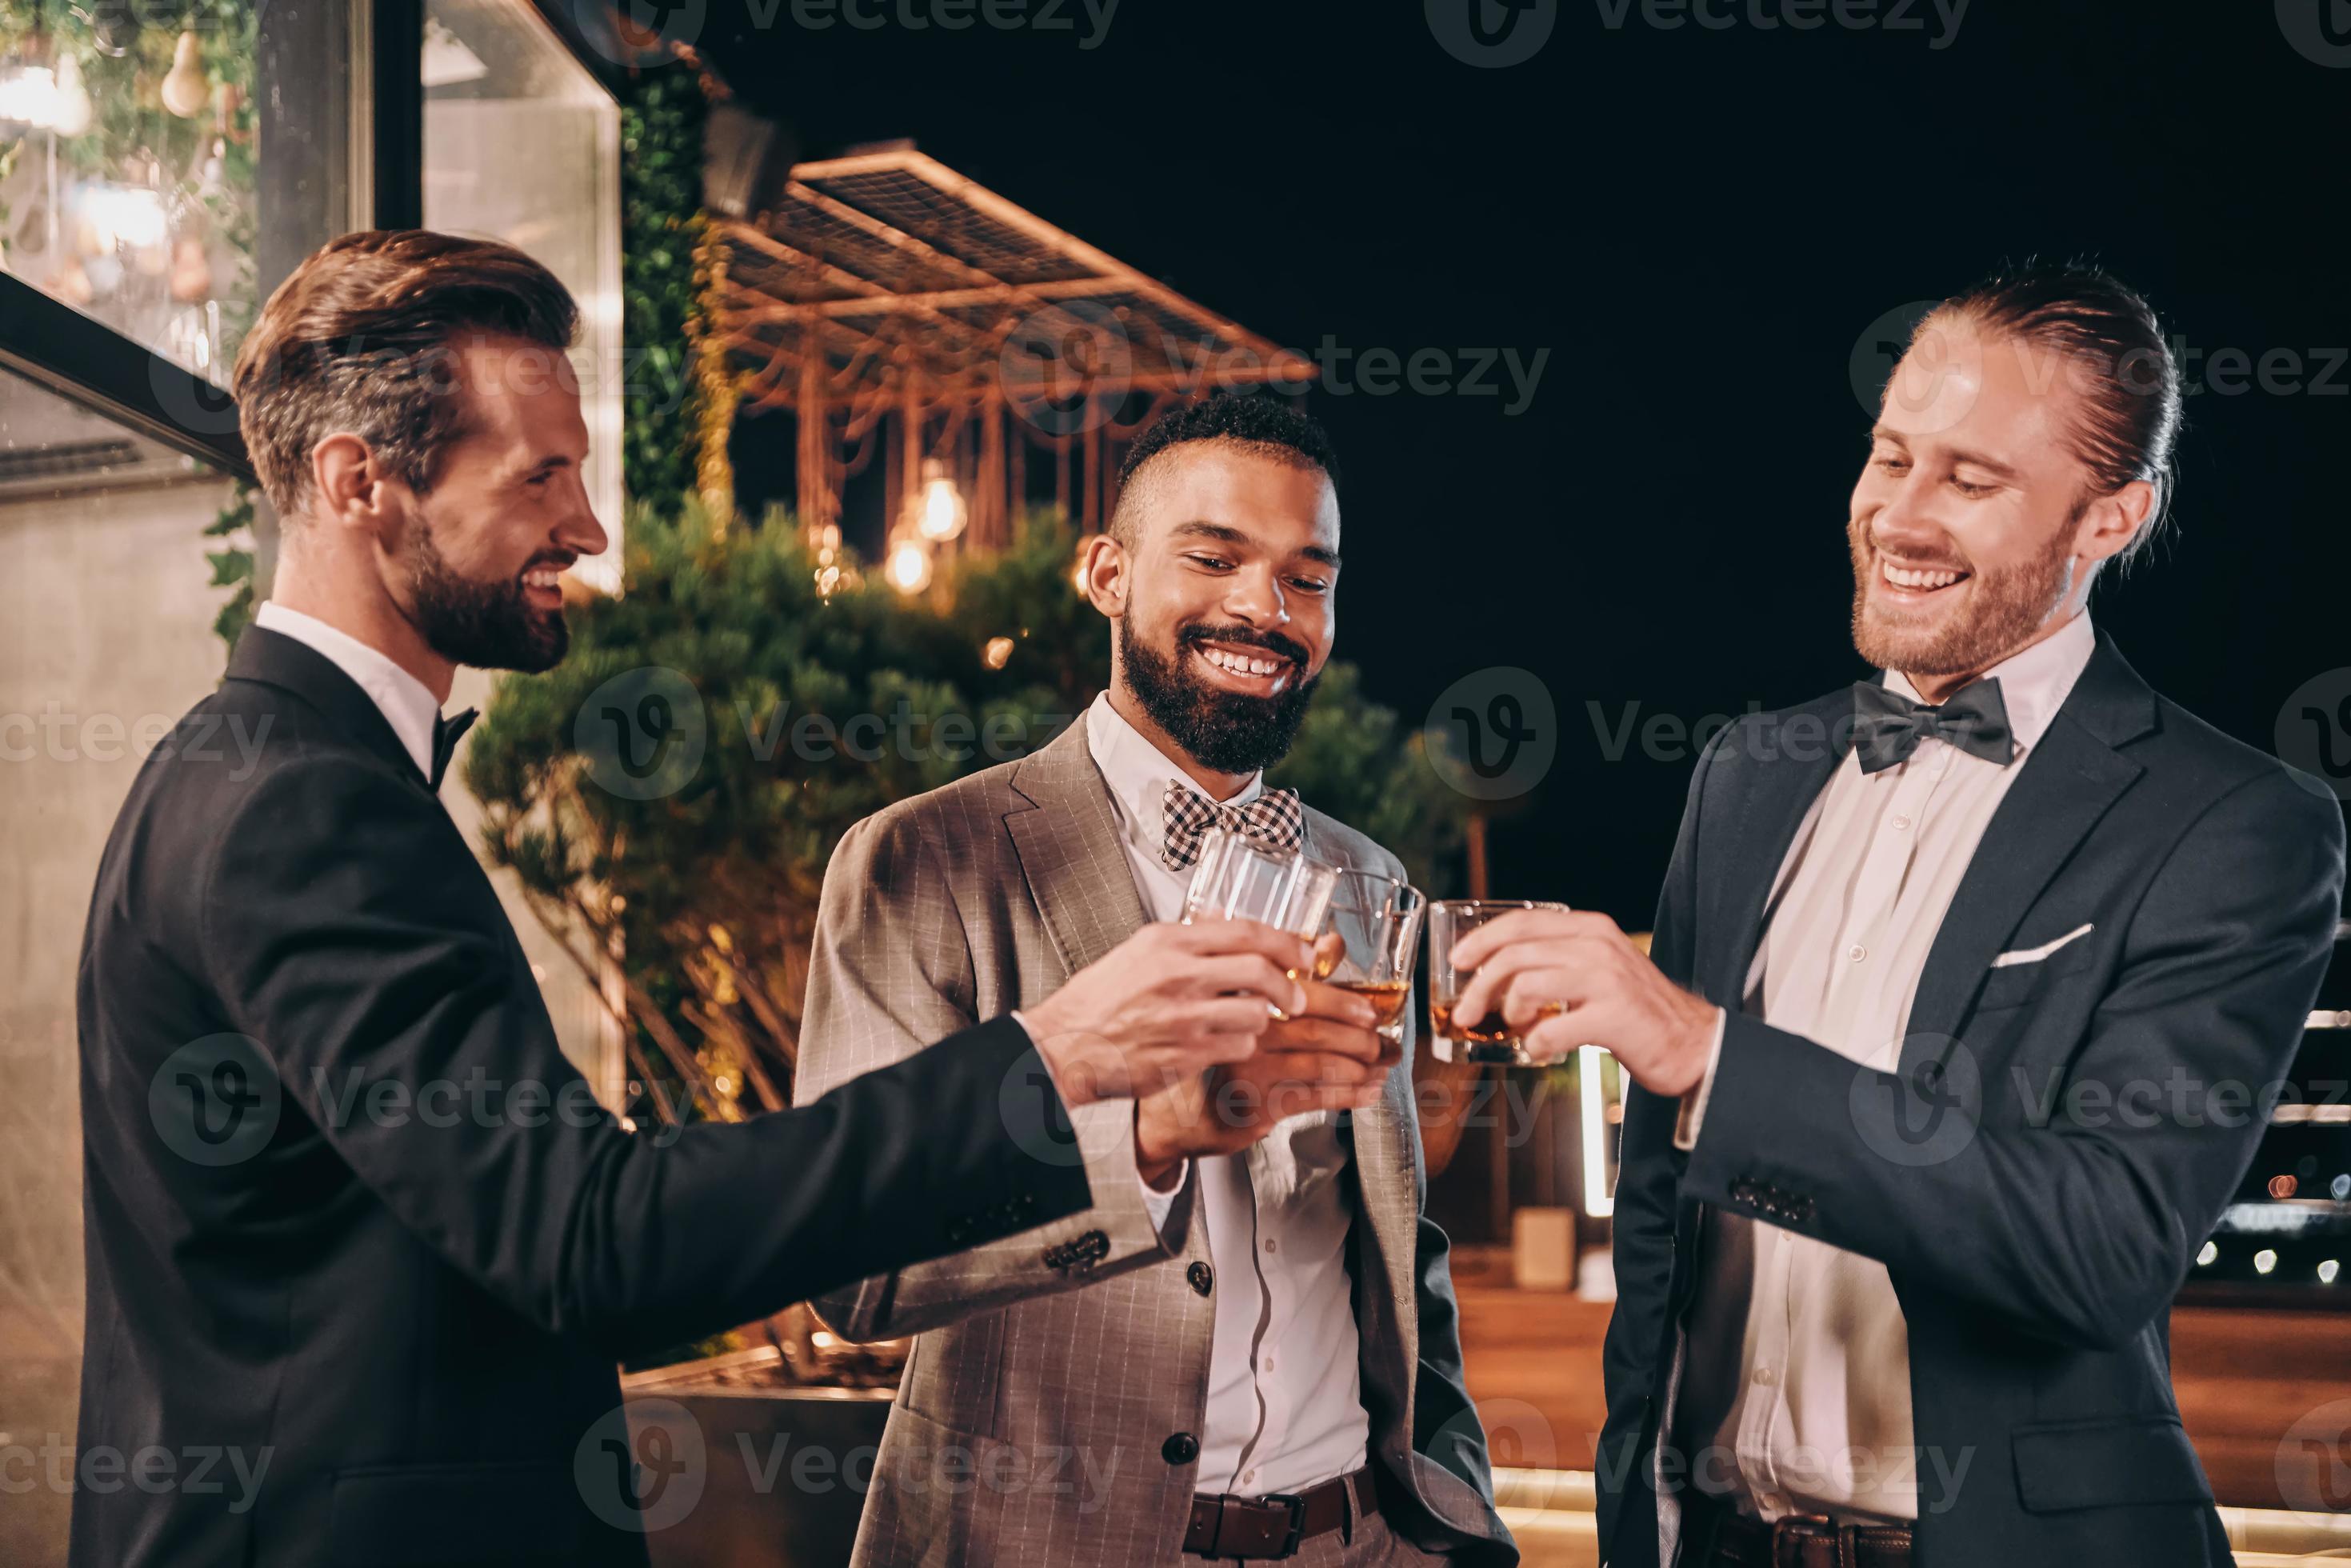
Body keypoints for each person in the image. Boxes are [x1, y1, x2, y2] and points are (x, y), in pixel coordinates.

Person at [70, 230, 1309, 1568]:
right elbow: (596, 1240)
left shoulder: (280, 774)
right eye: (541, 475)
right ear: (358, 481)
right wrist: (1051, 1055)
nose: (588, 527)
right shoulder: (296, 805)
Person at [1449, 263, 2348, 1568]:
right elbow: (1661, 1228)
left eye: (1971, 480)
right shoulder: (1747, 769)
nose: (1900, 517)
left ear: (2113, 517)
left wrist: (1712, 1056)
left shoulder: (2235, 824)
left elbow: (2100, 1247)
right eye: (1890, 458)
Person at [797, 397, 1517, 1566]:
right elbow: (852, 1267)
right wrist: (1151, 1138)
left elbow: (1396, 1241)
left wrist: (1452, 1501)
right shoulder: (925, 859)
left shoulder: (1366, 877)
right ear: (1108, 574)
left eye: (1308, 578)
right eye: (1213, 557)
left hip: (1359, 1539)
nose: (1262, 609)